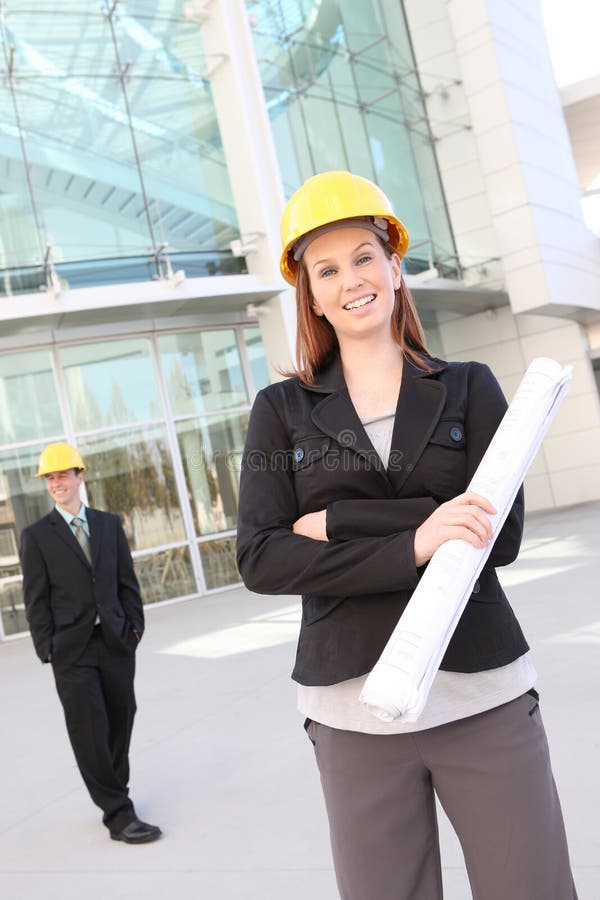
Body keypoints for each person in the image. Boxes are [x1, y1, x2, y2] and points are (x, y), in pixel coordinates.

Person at [236, 171, 577, 899]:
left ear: (394, 264)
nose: (350, 280)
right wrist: (418, 537)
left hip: (478, 693)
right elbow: (261, 554)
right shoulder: (281, 412)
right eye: (326, 270)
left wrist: (338, 524)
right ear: (311, 294)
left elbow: (499, 534)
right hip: (350, 708)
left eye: (364, 256)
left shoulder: (469, 387)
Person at [20, 442, 161, 844]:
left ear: (80, 476)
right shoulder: (36, 537)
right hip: (71, 649)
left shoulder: (107, 525)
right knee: (89, 729)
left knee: (121, 717)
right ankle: (118, 813)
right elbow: (35, 600)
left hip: (115, 641)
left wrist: (135, 628)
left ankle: (115, 791)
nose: (56, 483)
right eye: (50, 478)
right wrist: (47, 647)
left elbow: (125, 583)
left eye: (63, 475)